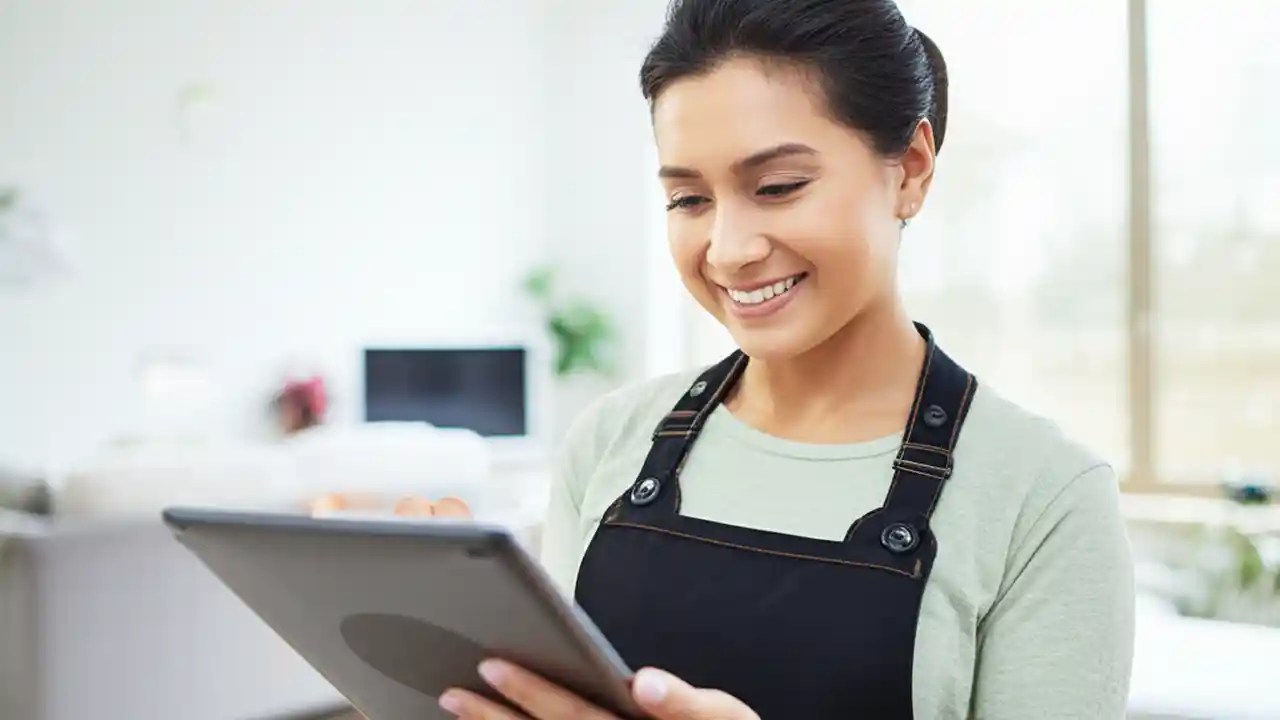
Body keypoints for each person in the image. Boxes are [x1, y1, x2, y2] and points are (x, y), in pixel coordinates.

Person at [441, 0, 1135, 717]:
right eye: (688, 198)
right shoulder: (609, 442)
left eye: (777, 187)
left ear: (911, 170)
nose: (729, 248)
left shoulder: (1044, 498)